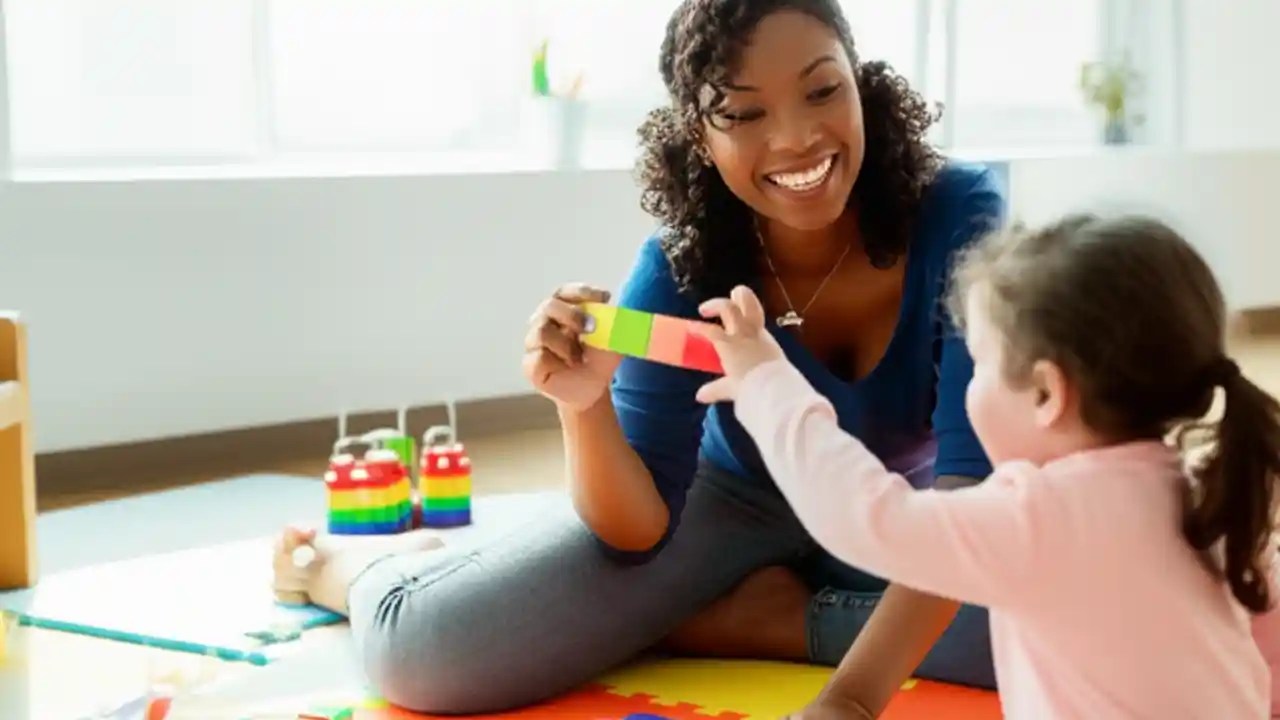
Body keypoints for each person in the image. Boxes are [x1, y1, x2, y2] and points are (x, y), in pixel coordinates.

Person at [274, 0, 1004, 715]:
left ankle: (766, 620)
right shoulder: (678, 269)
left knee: (1059, 627)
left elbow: (967, 492)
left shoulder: (959, 212)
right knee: (423, 652)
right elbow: (636, 530)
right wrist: (584, 406)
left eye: (823, 90)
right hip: (731, 501)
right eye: (744, 114)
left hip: (894, 508)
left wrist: (848, 699)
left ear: (860, 81)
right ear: (699, 132)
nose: (796, 138)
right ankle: (344, 571)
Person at [692, 213, 1280, 718]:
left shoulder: (1044, 517)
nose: (966, 385)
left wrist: (765, 383)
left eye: (979, 363)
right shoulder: (1205, 490)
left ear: (1047, 395)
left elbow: (864, 515)